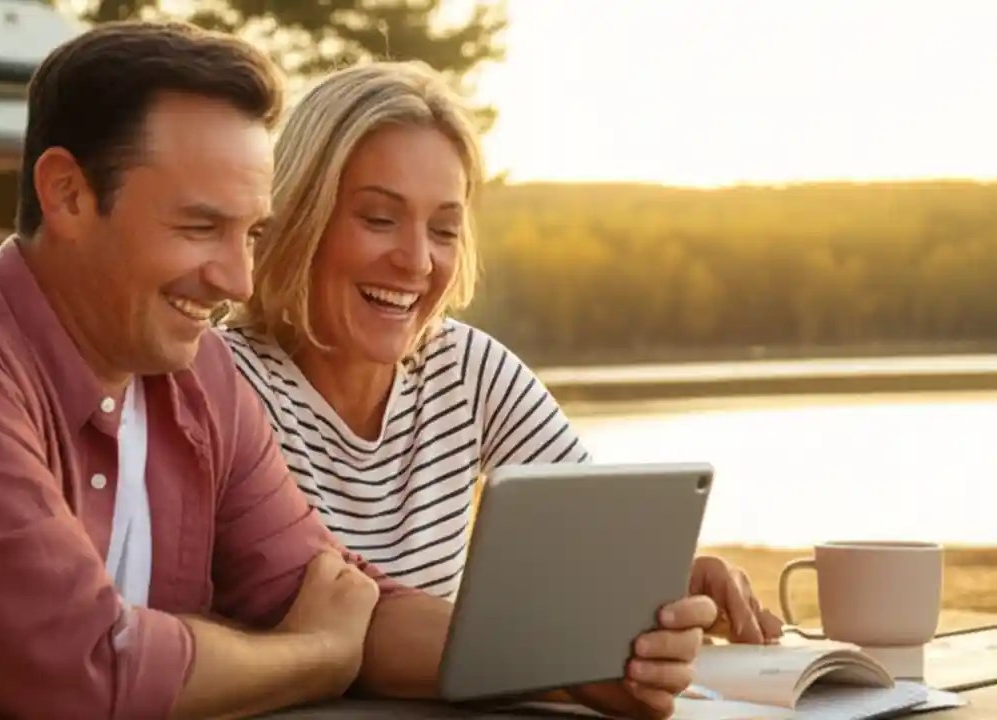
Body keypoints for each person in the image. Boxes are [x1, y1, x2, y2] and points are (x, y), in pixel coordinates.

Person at [0, 25, 721, 720]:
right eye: (199, 227)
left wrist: (576, 668)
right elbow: (83, 675)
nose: (236, 278)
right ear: (67, 194)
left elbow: (343, 600)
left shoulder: (200, 385)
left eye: (247, 232)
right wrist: (307, 658)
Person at [219, 60, 784, 638]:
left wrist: (678, 579)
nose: (417, 262)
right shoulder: (222, 384)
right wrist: (554, 663)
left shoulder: (465, 369)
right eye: (380, 218)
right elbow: (346, 622)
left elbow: (595, 540)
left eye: (443, 230)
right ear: (297, 216)